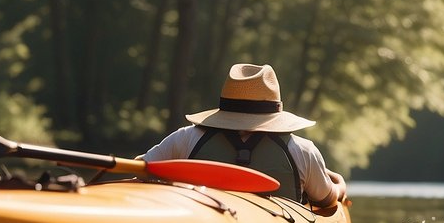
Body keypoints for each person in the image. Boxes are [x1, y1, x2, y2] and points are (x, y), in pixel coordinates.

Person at [143, 63, 348, 207]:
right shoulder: (303, 150)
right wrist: (340, 185)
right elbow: (326, 199)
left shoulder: (185, 138)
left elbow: (142, 168)